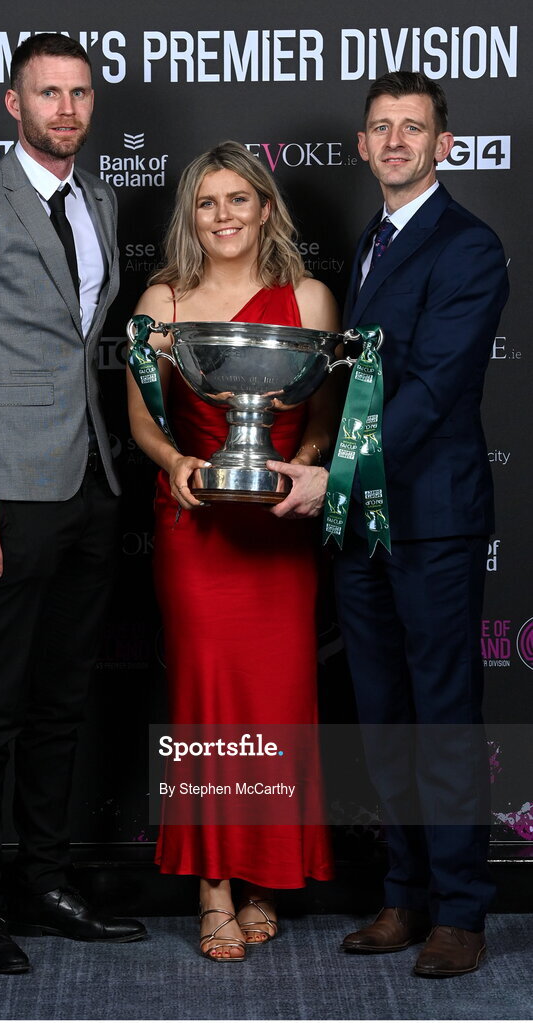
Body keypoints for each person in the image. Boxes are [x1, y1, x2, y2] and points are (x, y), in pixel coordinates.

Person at [271, 72, 509, 977]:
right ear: (363, 147)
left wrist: (329, 470)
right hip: (361, 523)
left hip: (432, 521)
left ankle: (459, 910)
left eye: (414, 127)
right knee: (382, 716)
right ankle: (404, 895)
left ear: (444, 144)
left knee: (441, 716)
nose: (397, 140)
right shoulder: (369, 240)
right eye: (382, 128)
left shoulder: (468, 246)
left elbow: (433, 391)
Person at [0, 33, 145, 974]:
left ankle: (45, 881)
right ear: (13, 104)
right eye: (47, 94)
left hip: (91, 481)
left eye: (80, 94)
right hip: (7, 487)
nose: (66, 110)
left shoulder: (98, 196)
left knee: (63, 700)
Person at [127, 140, 337, 962]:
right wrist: (174, 459)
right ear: (191, 214)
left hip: (279, 523)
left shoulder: (309, 298)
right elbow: (141, 413)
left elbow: (323, 409)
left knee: (276, 704)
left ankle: (261, 875)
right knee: (208, 708)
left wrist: (308, 465)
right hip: (196, 527)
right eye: (207, 202)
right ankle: (212, 884)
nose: (223, 216)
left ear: (263, 208)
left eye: (237, 200)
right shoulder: (163, 300)